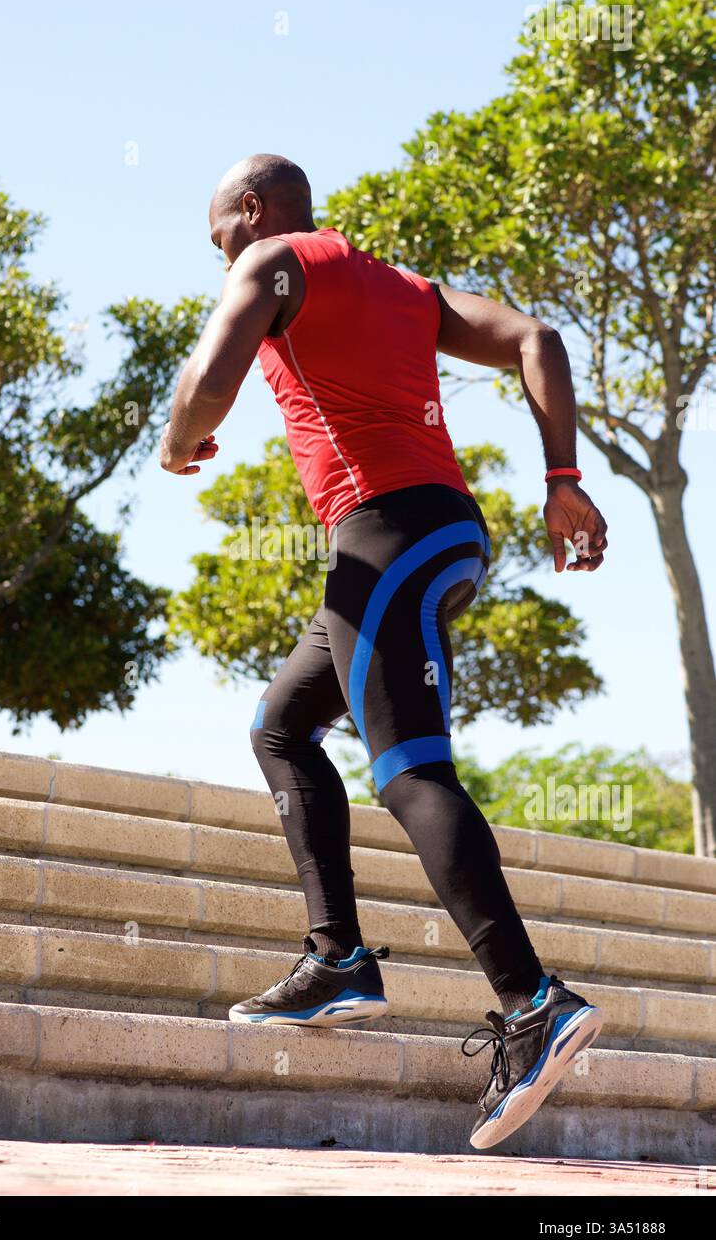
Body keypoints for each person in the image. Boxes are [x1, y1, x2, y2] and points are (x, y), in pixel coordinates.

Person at [159, 153, 607, 1149]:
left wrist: (180, 434)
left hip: (385, 534)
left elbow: (211, 384)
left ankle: (534, 1002)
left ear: (249, 210)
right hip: (440, 532)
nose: (222, 259)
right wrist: (562, 476)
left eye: (218, 238)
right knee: (281, 726)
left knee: (409, 772)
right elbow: (536, 337)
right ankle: (339, 959)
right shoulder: (402, 285)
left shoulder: (271, 259)